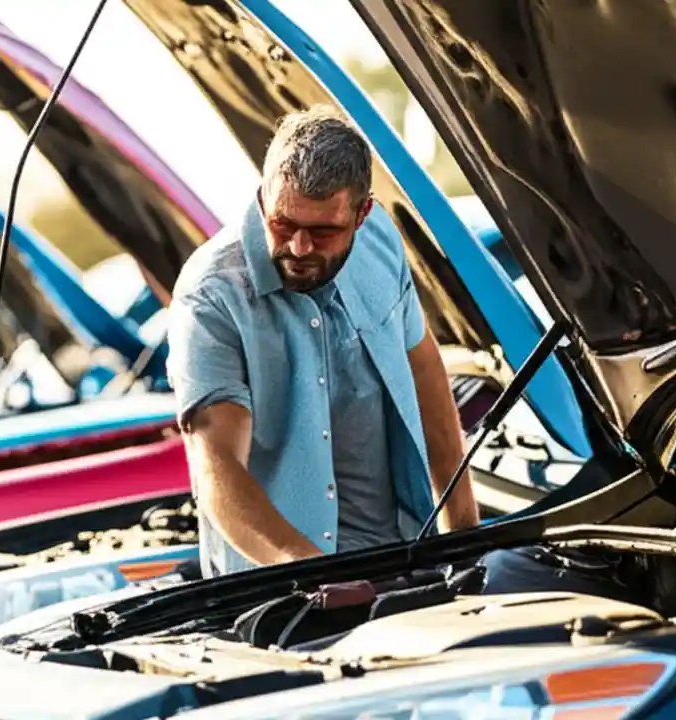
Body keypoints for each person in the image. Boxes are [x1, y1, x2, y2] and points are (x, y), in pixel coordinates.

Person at [166, 105, 479, 577]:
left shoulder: (382, 243)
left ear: (361, 213)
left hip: (403, 561)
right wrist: (315, 573)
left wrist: (465, 533)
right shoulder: (212, 295)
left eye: (323, 232)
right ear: (263, 197)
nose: (298, 248)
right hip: (278, 594)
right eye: (283, 224)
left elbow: (423, 372)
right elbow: (218, 466)